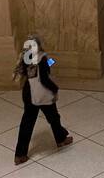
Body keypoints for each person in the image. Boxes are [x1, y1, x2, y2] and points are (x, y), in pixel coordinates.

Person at [13, 35, 73, 165]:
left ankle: (20, 154)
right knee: (53, 117)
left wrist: (49, 60)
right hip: (42, 94)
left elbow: (24, 73)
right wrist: (55, 88)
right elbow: (45, 78)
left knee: (27, 123)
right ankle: (61, 138)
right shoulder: (42, 58)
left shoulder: (25, 57)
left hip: (28, 93)